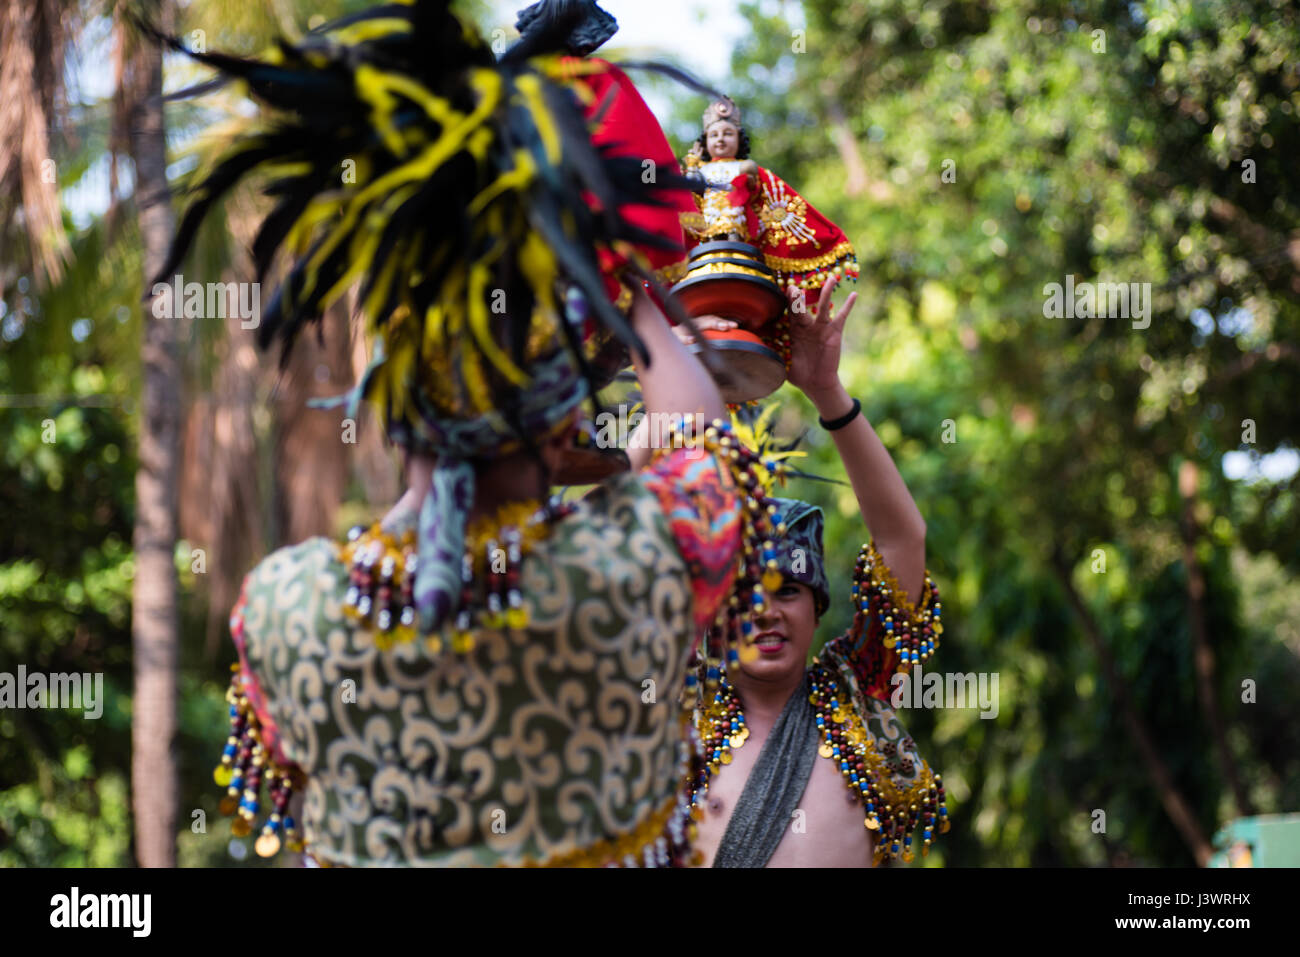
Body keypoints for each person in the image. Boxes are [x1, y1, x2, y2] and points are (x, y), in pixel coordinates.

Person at [159, 0, 787, 866]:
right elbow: (705, 450)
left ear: (390, 406)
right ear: (565, 418)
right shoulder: (638, 567)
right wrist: (626, 268)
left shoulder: (284, 610)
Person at [672, 275, 950, 867]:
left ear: (817, 607)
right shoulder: (672, 716)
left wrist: (828, 392)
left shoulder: (858, 694)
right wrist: (670, 386)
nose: (766, 611)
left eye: (789, 591)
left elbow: (903, 538)